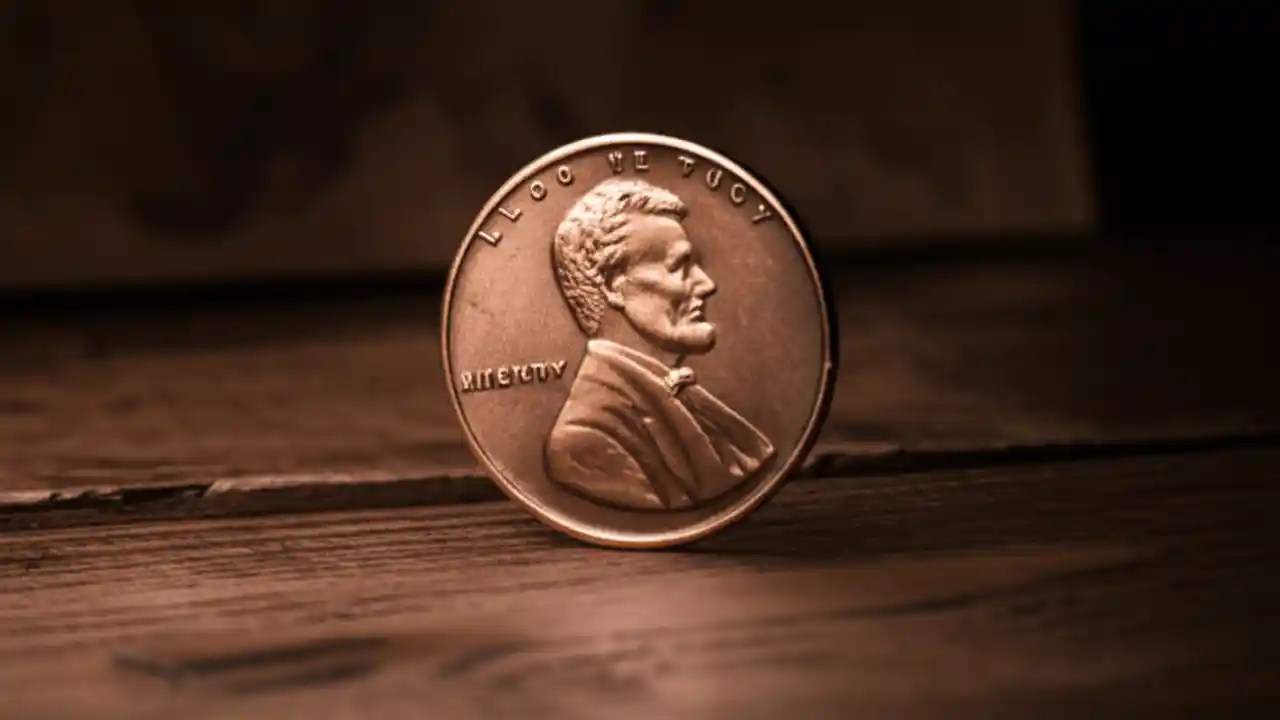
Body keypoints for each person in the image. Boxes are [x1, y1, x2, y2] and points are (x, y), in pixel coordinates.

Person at [544, 177, 775, 510]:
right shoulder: (584, 439)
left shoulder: (681, 395)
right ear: (612, 285)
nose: (706, 284)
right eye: (680, 266)